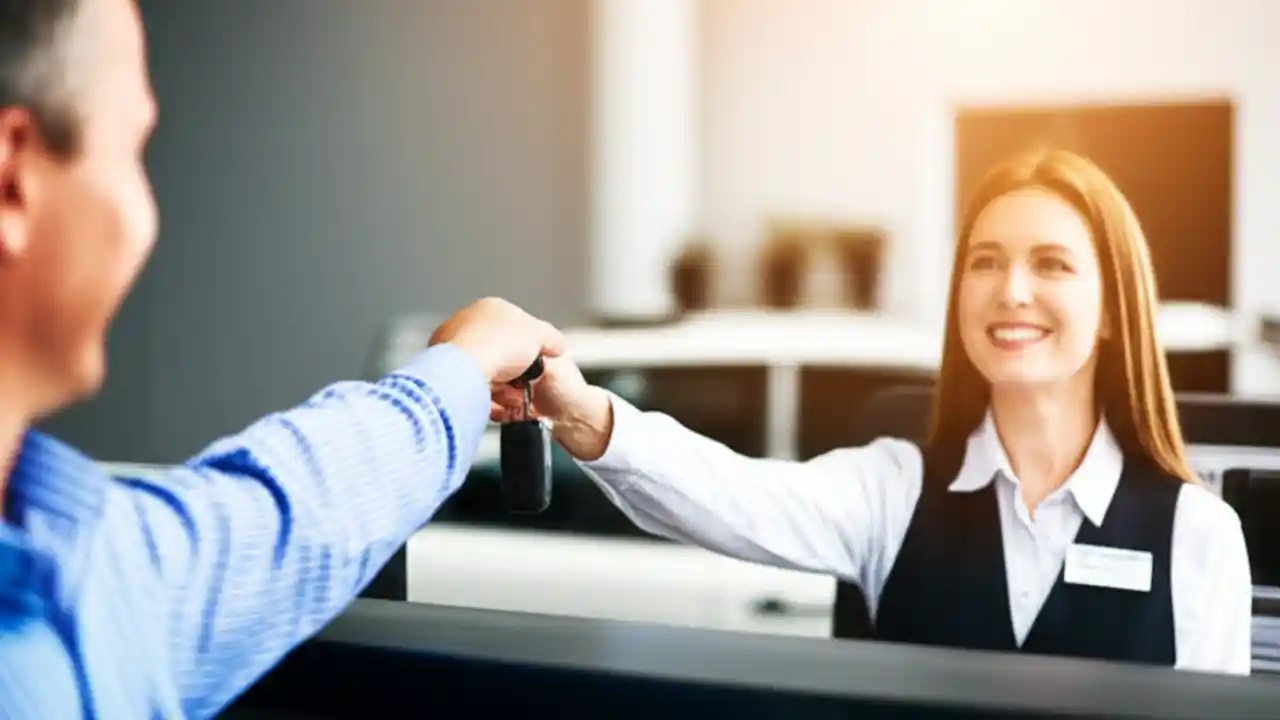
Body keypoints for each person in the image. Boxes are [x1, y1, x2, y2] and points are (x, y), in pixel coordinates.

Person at [0, 1, 565, 717]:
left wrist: (458, 366)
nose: (147, 218)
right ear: (13, 182)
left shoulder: (72, 564)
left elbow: (281, 514)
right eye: (132, 153)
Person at [503, 147, 1254, 675]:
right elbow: (730, 492)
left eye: (1051, 263)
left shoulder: (1199, 535)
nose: (1011, 290)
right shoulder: (893, 491)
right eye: (985, 261)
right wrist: (577, 412)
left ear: (1114, 308)